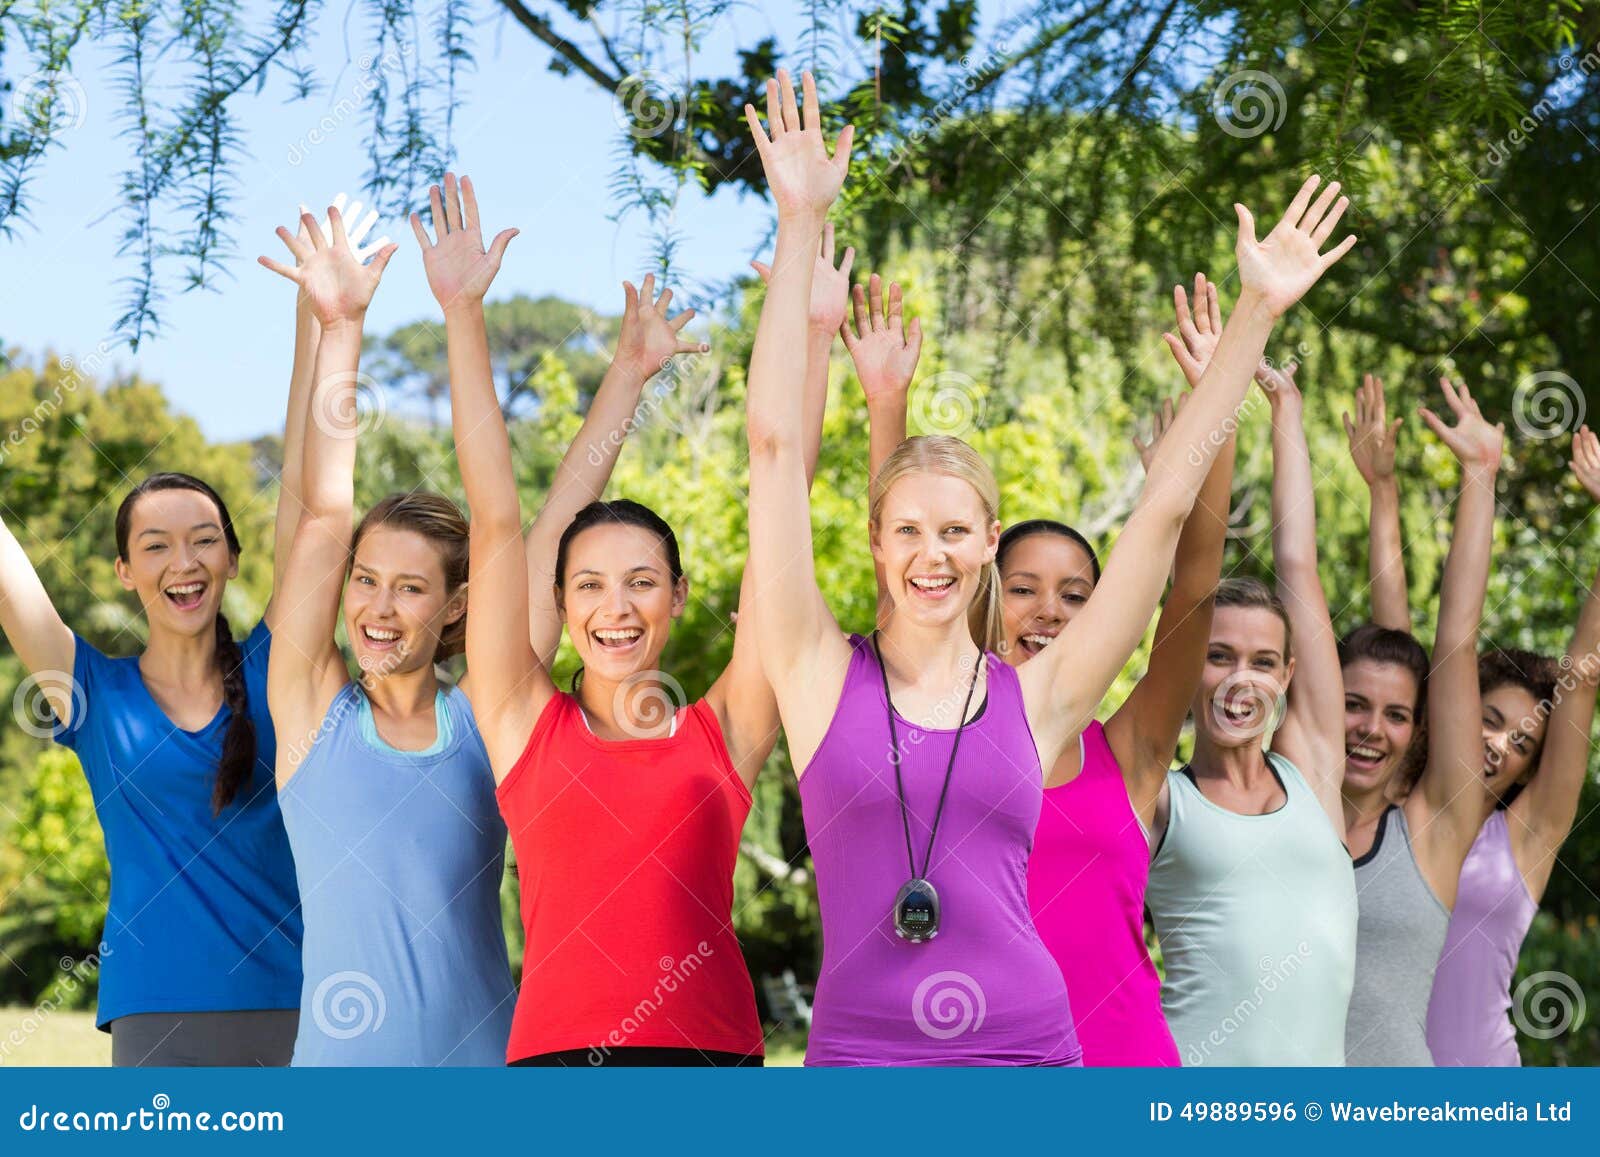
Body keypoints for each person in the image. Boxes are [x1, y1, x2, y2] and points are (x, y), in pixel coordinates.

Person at [745, 67, 1355, 1064]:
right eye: (905, 531)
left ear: (987, 542)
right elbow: (771, 449)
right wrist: (800, 219)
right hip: (863, 1056)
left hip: (1034, 1052)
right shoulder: (817, 672)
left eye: (953, 532)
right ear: (873, 541)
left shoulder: (1036, 699)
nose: (929, 554)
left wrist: (1253, 316)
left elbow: (1162, 519)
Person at [431, 171, 834, 1065]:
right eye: (589, 587)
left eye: (642, 582)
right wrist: (463, 314)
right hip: (558, 1066)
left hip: (713, 1060)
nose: (616, 608)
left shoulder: (724, 729)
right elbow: (496, 513)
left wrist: (815, 334)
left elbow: (782, 507)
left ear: (679, 595)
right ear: (561, 605)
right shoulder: (521, 721)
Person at [846, 272, 1239, 1065]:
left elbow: (1192, 582)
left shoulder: (1128, 752)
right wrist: (885, 401)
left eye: (1076, 595)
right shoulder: (923, 732)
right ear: (984, 592)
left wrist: (1216, 412)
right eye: (1023, 588)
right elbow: (900, 565)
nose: (1049, 611)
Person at [0, 262, 318, 1063]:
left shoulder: (278, 668)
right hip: (154, 1016)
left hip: (297, 1004)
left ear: (235, 559)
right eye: (155, 544)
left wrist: (316, 323)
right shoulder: (95, 697)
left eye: (204, 538)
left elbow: (313, 509)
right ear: (124, 571)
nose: (184, 560)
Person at [258, 202, 516, 1066]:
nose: (376, 606)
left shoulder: (489, 715)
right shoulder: (309, 707)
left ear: (453, 606)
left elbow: (506, 521)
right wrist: (341, 328)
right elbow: (325, 513)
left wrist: (462, 315)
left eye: (410, 588)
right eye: (366, 580)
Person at [1355, 398, 1600, 1065]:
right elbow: (1398, 631)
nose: (1498, 744)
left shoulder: (1529, 834)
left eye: (1522, 744)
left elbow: (1584, 671)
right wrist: (1382, 491)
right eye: (1489, 720)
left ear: (1529, 770)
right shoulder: (1403, 797)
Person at [1144, 353, 1358, 1067]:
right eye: (1217, 655)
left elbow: (1299, 563)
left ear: (1288, 673)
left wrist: (1286, 411)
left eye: (1263, 661)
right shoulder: (1160, 800)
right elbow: (1184, 583)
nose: (1241, 678)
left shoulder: (1314, 770)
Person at [1333, 373, 1502, 1065]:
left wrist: (1481, 475)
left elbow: (1454, 643)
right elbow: (1388, 649)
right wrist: (1382, 493)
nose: (1373, 726)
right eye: (1353, 705)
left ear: (1418, 729)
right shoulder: (1288, 809)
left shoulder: (1432, 828)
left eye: (1398, 715)